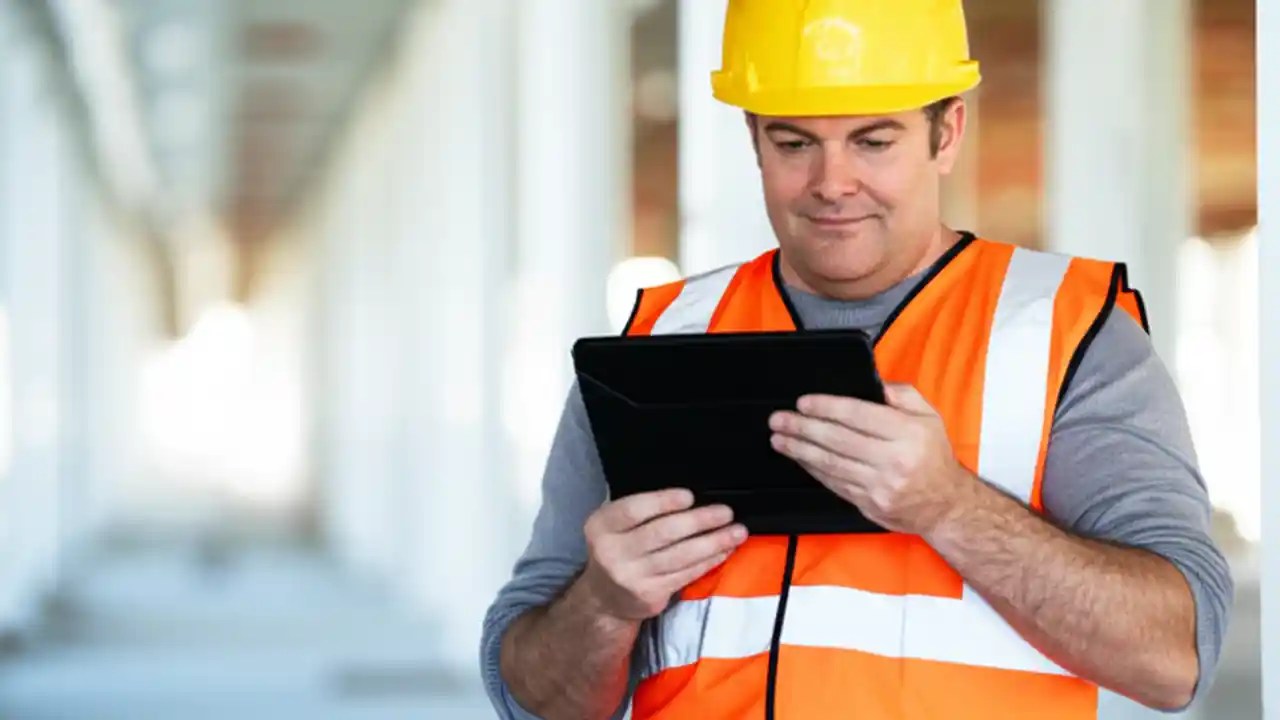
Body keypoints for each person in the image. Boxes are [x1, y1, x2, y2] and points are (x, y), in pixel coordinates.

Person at [480, 1, 1234, 718]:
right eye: (794, 142)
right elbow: (530, 695)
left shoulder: (1066, 334)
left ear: (947, 134)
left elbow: (1175, 660)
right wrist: (605, 606)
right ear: (753, 140)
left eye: (873, 141)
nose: (832, 183)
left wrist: (948, 506)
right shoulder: (660, 344)